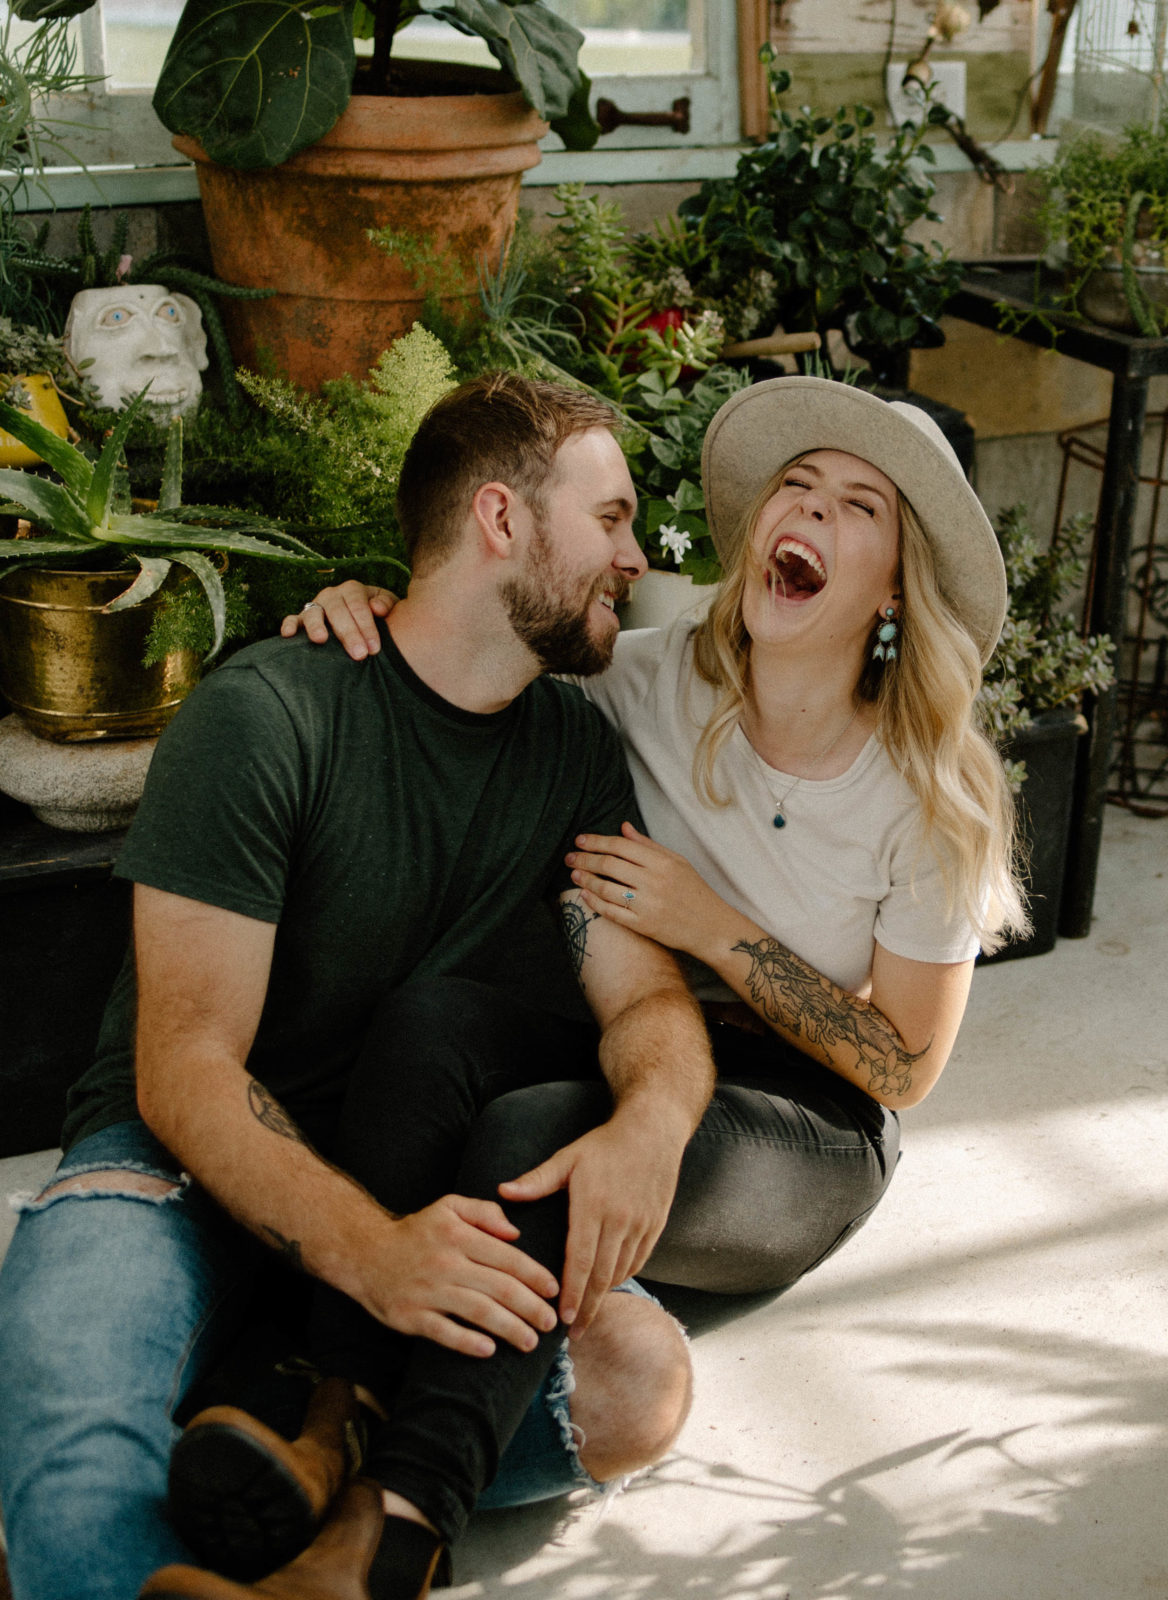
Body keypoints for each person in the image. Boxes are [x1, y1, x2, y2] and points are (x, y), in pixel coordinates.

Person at [0, 373, 719, 1600]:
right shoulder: (268, 714)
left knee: (638, 1385)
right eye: (609, 518)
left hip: (406, 1175)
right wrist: (373, 1257)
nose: (634, 555)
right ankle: (237, 1443)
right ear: (501, 519)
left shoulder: (571, 753)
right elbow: (186, 1072)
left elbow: (643, 1000)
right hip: (180, 1170)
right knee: (80, 1453)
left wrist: (653, 1121)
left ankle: (288, 1440)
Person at [289, 373, 1028, 1314]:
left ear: (895, 587)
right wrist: (376, 609)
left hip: (803, 1114)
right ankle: (332, 1374)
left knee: (531, 1143)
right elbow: (476, 648)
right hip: (638, 1041)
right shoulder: (643, 680)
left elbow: (904, 1068)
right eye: (798, 484)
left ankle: (413, 1454)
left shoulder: (933, 794)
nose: (809, 505)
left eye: (858, 505)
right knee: (427, 1025)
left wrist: (712, 925)